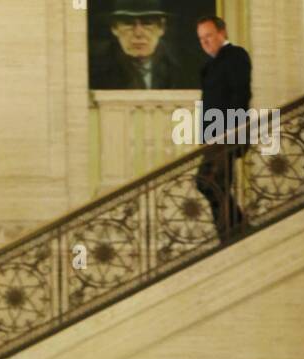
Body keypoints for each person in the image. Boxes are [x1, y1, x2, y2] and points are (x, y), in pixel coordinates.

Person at [195, 15, 253, 242]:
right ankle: (233, 231)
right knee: (209, 183)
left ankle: (234, 232)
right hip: (214, 137)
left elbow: (241, 94)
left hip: (228, 134)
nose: (205, 42)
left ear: (222, 33)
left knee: (210, 182)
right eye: (201, 39)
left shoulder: (236, 55)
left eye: (208, 36)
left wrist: (234, 130)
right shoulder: (209, 66)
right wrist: (204, 136)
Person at [89, 3, 195, 90]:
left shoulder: (184, 68)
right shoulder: (94, 69)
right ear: (114, 28)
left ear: (162, 28)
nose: (138, 33)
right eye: (128, 23)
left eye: (147, 23)